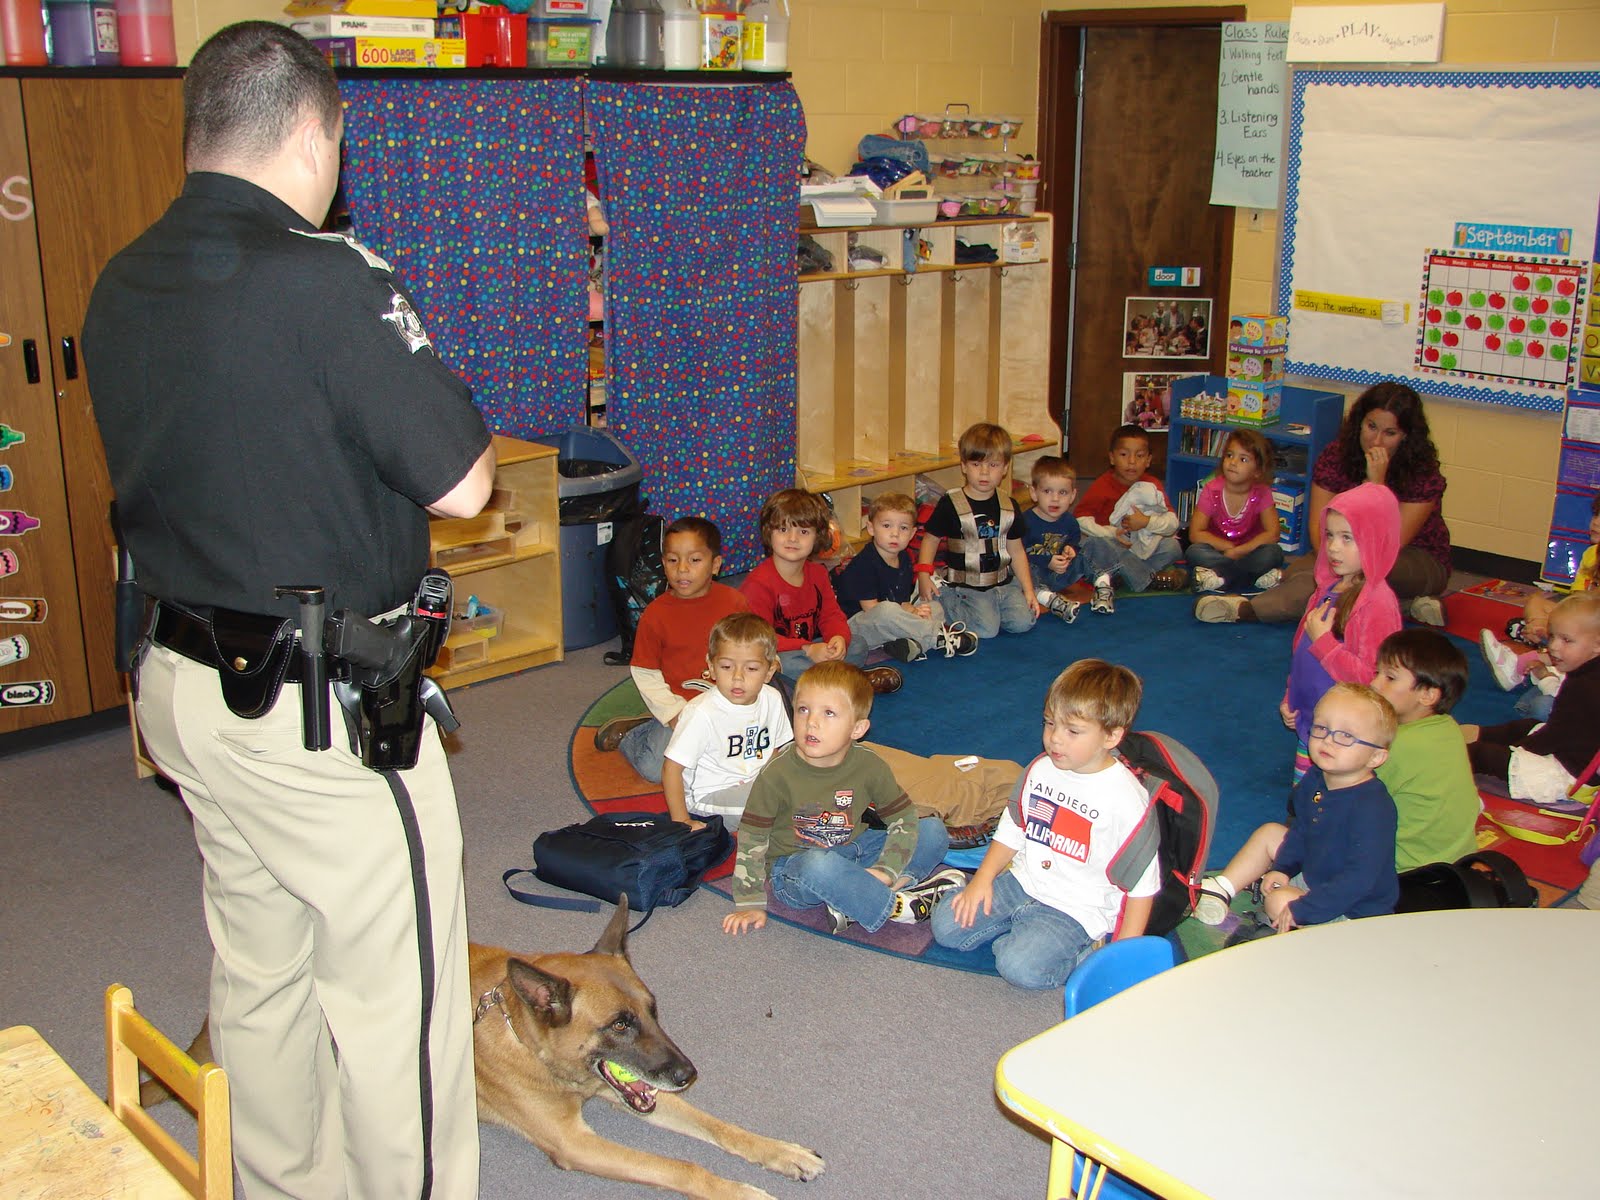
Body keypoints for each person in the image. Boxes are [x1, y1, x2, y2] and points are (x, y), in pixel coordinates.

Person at [80, 22, 492, 1198]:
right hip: (319, 717)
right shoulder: (325, 276)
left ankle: (275, 1185)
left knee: (258, 965)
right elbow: (464, 481)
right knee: (397, 994)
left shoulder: (124, 275)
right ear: (317, 131)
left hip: (181, 688)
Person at [929, 658, 1160, 989]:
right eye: (1050, 724)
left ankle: (1081, 951)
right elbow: (1013, 828)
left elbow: (1142, 886)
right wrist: (982, 880)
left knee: (1019, 967)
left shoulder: (1126, 801)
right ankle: (1026, 933)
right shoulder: (1040, 768)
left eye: (1073, 731)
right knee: (946, 926)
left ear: (1111, 736)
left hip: (1076, 908)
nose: (1055, 740)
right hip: (1023, 882)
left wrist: (1120, 957)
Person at [722, 661, 962, 936]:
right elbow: (752, 836)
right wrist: (749, 901)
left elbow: (903, 817)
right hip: (794, 868)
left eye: (829, 713)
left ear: (858, 729)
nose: (812, 721)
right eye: (803, 709)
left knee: (933, 829)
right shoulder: (777, 773)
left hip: (856, 850)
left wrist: (887, 869)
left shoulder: (870, 765)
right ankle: (897, 907)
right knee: (818, 864)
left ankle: (875, 891)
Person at [1196, 381, 1450, 625]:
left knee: (1361, 574)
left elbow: (1385, 545)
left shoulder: (1421, 472)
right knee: (1312, 577)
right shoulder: (1335, 457)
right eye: (1371, 427)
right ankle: (1408, 607)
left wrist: (1377, 487)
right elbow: (1319, 532)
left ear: (1406, 436)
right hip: (1340, 547)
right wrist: (1331, 562)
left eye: (1390, 433)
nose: (1377, 441)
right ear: (1359, 423)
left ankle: (1250, 610)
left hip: (1410, 558)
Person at [1194, 683, 1399, 934]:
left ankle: (1300, 935)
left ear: (1375, 758)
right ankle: (1222, 888)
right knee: (1270, 832)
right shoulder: (1316, 777)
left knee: (1278, 902)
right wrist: (1283, 867)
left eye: (1346, 736)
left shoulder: (1374, 809)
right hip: (1314, 874)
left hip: (1353, 911)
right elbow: (1301, 828)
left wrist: (1304, 908)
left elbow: (1359, 881)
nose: (1328, 740)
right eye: (1322, 728)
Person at [595, 516, 749, 783]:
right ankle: (635, 733)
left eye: (694, 560)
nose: (682, 569)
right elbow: (645, 674)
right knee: (656, 770)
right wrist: (673, 714)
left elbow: (753, 651)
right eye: (672, 560)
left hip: (729, 704)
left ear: (715, 565)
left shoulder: (734, 602)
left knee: (747, 757)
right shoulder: (655, 615)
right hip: (681, 710)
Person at [1277, 482, 1402, 783]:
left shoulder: (1377, 602)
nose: (1333, 547)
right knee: (1304, 799)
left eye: (1348, 538)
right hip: (1314, 723)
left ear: (1374, 541)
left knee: (1333, 801)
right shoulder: (1328, 588)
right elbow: (1301, 654)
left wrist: (1325, 643)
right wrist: (1290, 697)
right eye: (1330, 535)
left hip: (1346, 736)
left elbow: (1373, 679)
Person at [742, 489, 902, 692]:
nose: (793, 538)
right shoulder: (759, 583)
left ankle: (828, 684)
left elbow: (831, 615)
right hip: (778, 651)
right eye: (783, 530)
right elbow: (759, 639)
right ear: (769, 533)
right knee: (785, 664)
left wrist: (837, 638)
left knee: (857, 645)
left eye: (803, 532)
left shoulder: (818, 573)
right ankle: (849, 682)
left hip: (811, 648)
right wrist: (807, 649)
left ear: (817, 536)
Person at [1464, 592, 1600, 805]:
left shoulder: (1583, 687)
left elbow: (1554, 736)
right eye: (1552, 636)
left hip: (1569, 776)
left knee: (1483, 755)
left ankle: (1454, 752)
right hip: (1576, 756)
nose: (1553, 646)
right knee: (1530, 724)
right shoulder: (1588, 673)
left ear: (1597, 645)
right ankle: (1479, 733)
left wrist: (1517, 752)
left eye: (1566, 640)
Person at [661, 613, 792, 831]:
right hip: (709, 797)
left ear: (769, 671)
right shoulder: (701, 713)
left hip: (755, 782)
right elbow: (671, 769)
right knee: (774, 805)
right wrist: (682, 821)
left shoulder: (773, 698)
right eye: (726, 667)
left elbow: (775, 751)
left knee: (811, 766)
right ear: (711, 667)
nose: (738, 677)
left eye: (751, 669)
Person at [1369, 630, 1480, 871]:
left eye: (1390, 677)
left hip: (1404, 870)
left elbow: (1348, 799)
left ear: (1428, 695)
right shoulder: (1449, 727)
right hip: (1457, 863)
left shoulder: (1394, 745)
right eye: (1377, 673)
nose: (1374, 683)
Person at [916, 422, 1040, 639]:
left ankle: (992, 609)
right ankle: (943, 598)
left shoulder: (1009, 505)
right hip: (967, 585)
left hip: (1003, 583)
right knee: (986, 631)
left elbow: (1017, 551)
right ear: (963, 466)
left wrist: (1028, 590)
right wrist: (924, 574)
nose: (984, 472)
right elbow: (930, 539)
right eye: (976, 464)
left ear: (1005, 468)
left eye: (993, 465)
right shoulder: (950, 504)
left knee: (1024, 622)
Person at [1481, 490, 1600, 699]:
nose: (1596, 522)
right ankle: (1544, 637)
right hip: (1584, 620)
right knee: (1536, 601)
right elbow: (1577, 601)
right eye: (1596, 515)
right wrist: (1547, 623)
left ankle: (1523, 662)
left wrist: (1553, 627)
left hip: (1592, 631)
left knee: (1535, 705)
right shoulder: (1592, 554)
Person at [831, 492, 977, 662]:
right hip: (857, 626)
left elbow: (903, 600)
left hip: (891, 618)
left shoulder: (905, 558)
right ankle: (936, 636)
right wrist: (907, 611)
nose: (895, 534)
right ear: (871, 528)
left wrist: (915, 611)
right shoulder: (863, 564)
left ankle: (908, 643)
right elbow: (873, 609)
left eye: (903, 528)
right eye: (886, 526)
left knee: (933, 606)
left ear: (912, 533)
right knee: (887, 610)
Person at [1074, 424, 1188, 615]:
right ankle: (1148, 579)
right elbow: (1080, 519)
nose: (1132, 462)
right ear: (1112, 457)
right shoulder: (1103, 485)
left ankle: (1123, 575)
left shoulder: (1152, 485)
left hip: (1143, 546)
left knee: (1173, 547)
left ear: (1149, 460)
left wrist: (1146, 522)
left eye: (1140, 455)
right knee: (1091, 544)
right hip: (1113, 547)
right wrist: (1111, 533)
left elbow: (1171, 524)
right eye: (1124, 455)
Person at [1186, 427, 1284, 595]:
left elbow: (1273, 533)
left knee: (1274, 553)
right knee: (1193, 552)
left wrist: (1240, 551)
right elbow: (1195, 533)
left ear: (1258, 470)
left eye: (1243, 459)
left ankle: (1220, 577)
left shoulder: (1262, 492)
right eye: (1229, 455)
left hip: (1250, 550)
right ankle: (1252, 576)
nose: (1233, 462)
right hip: (1220, 550)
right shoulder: (1211, 490)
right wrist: (1229, 548)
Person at [1022, 455, 1085, 623]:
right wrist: (1046, 561)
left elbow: (1075, 541)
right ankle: (1049, 599)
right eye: (1047, 491)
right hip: (1034, 580)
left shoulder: (1070, 522)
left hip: (1060, 576)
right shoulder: (1025, 522)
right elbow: (1017, 554)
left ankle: (1103, 583)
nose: (1055, 498)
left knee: (1092, 544)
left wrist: (1071, 549)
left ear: (1072, 496)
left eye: (1062, 492)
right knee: (1021, 569)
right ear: (1034, 493)